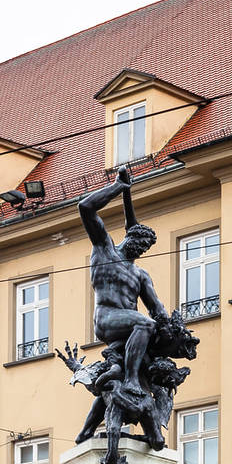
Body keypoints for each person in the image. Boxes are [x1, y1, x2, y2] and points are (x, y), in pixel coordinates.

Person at [79, 167, 165, 400]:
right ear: (130, 237)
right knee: (145, 324)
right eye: (140, 242)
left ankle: (119, 377)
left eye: (146, 247)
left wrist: (173, 329)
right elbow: (85, 207)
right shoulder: (105, 250)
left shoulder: (140, 274)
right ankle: (131, 380)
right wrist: (119, 187)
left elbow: (158, 310)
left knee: (150, 330)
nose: (142, 249)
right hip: (106, 318)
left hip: (129, 328)